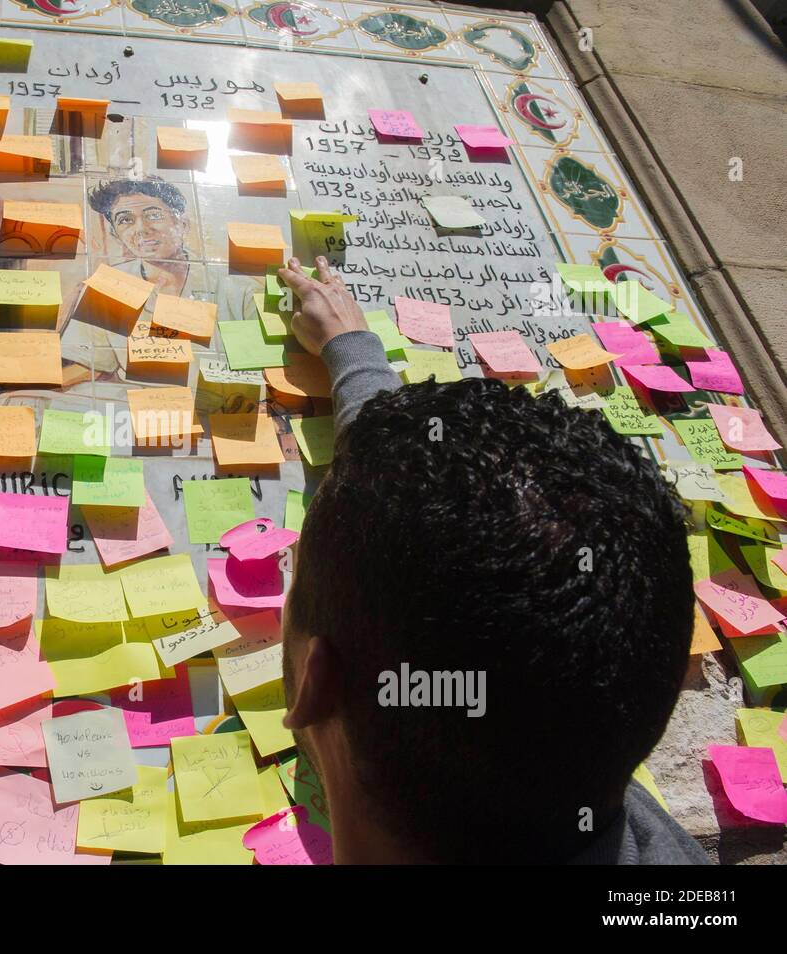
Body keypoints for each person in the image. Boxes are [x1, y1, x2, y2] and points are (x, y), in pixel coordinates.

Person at [276, 255, 708, 865]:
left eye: (295, 571)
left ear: (315, 685)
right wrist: (354, 357)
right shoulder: (573, 742)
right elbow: (452, 514)